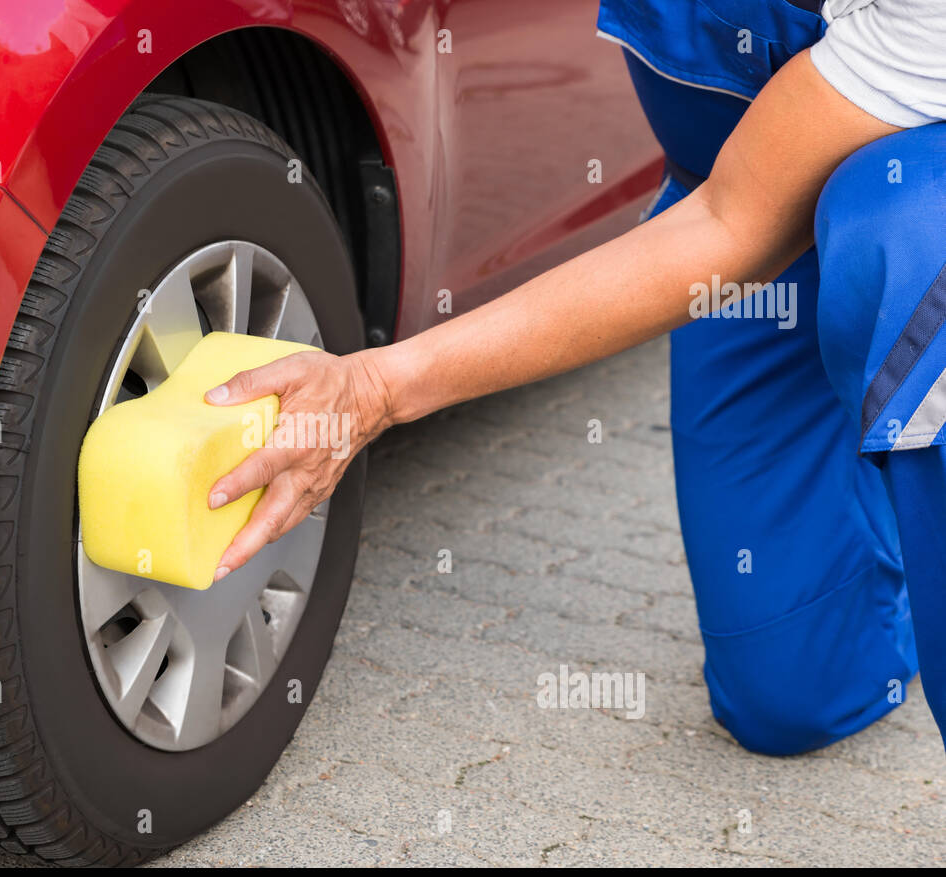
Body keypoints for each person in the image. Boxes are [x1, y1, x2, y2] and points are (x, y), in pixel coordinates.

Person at [202, 0, 946, 755]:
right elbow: (725, 217)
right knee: (785, 700)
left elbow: (728, 225)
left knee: (898, 241)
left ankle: (907, 458)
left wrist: (380, 388)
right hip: (739, 223)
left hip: (878, 212)